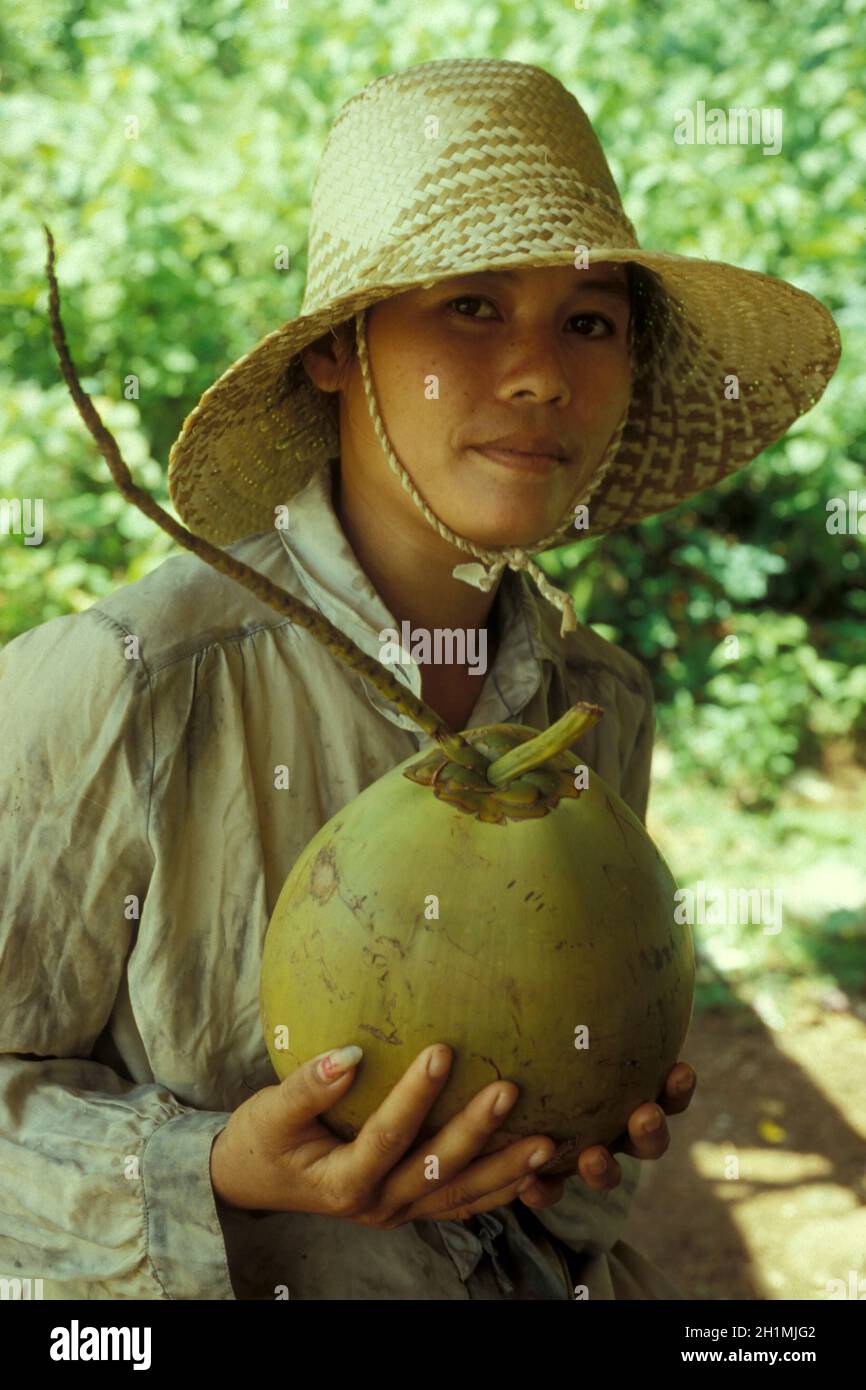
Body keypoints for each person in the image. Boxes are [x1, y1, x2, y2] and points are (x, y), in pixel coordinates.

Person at [0, 57, 839, 1301]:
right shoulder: (129, 685)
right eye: (470, 307)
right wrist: (213, 1164)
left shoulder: (593, 705)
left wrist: (579, 1127)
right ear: (338, 350)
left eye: (588, 320)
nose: (542, 372)